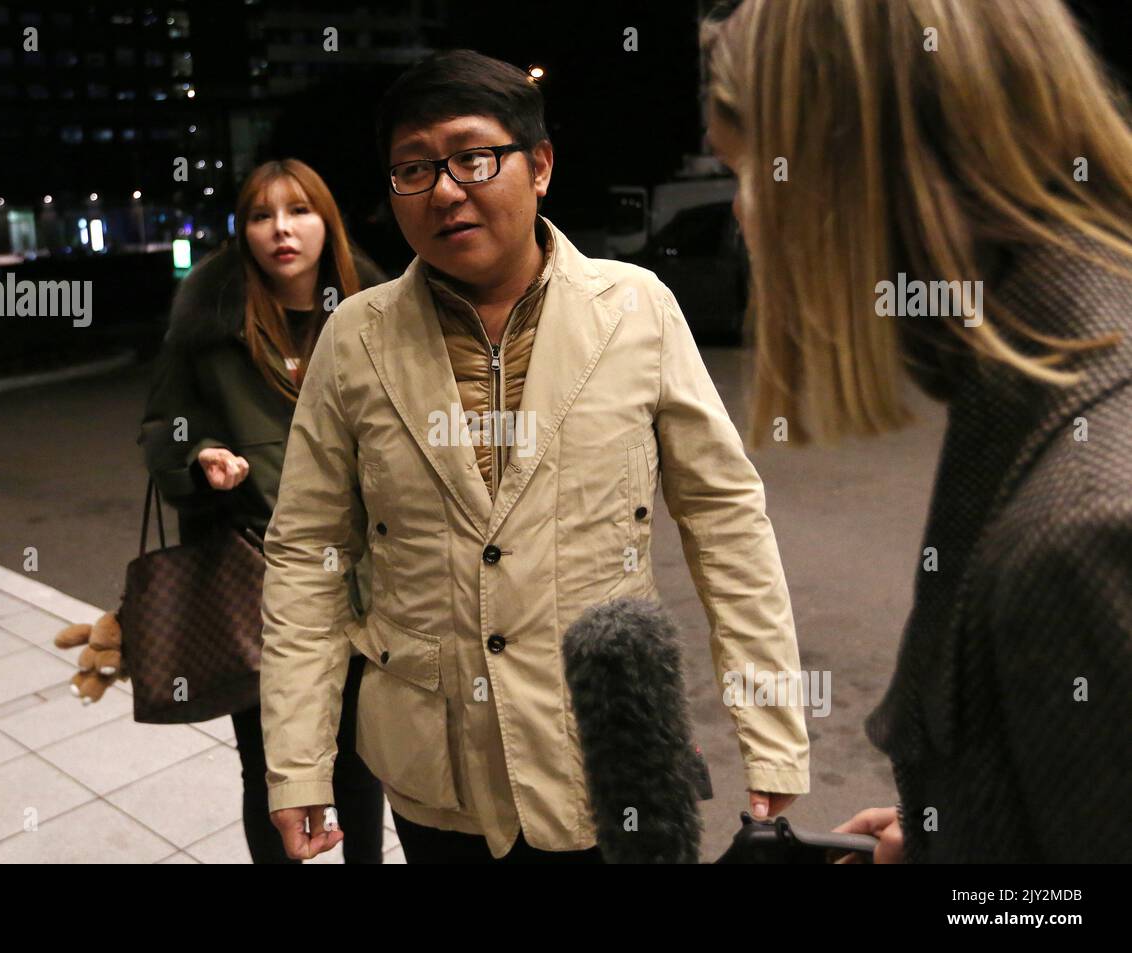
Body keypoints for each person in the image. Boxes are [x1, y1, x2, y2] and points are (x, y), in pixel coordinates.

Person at [260, 49, 810, 863]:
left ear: (540, 165)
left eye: (473, 157)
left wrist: (769, 730)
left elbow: (724, 518)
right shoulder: (355, 339)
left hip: (606, 754)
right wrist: (299, 762)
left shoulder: (637, 311)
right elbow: (307, 549)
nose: (445, 189)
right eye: (412, 169)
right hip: (434, 768)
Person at [702, 0, 1132, 862]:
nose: (744, 216)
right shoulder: (1039, 385)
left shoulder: (1083, 525)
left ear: (850, 165)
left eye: (747, 171)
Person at [138, 159, 388, 863]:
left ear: (327, 221)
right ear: (242, 230)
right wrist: (204, 455)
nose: (281, 229)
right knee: (274, 764)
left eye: (300, 210)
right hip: (257, 571)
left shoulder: (377, 311)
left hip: (367, 570)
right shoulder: (207, 319)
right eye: (260, 215)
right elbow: (164, 423)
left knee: (360, 754)